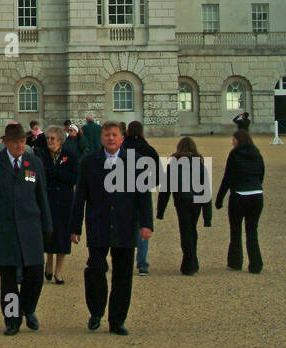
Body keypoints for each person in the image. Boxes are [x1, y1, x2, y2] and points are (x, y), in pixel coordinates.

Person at [70, 120, 153, 336]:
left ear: (122, 138)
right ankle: (96, 311)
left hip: (125, 225)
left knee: (123, 276)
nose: (111, 138)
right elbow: (80, 197)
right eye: (107, 135)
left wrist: (146, 224)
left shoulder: (136, 162)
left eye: (115, 135)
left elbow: (144, 196)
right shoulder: (89, 162)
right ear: (101, 138)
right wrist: (75, 227)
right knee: (95, 270)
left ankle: (117, 320)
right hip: (98, 225)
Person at [0, 123, 51, 335]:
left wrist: (47, 225)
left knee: (35, 272)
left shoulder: (33, 161)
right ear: (5, 142)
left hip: (30, 225)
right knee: (7, 279)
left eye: (22, 141)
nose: (19, 145)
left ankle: (27, 308)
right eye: (15, 142)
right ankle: (12, 320)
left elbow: (42, 195)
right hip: (4, 226)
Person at [157, 137, 212, 275]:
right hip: (197, 201)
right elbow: (206, 190)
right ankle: (192, 260)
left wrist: (160, 210)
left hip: (182, 201)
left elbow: (165, 189)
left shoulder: (174, 164)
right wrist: (207, 215)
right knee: (192, 229)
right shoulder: (200, 165)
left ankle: (189, 263)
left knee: (185, 230)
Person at [216, 129, 265, 274]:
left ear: (238, 140)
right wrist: (255, 185)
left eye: (234, 140)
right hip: (256, 194)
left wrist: (220, 198)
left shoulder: (234, 154)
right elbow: (261, 173)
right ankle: (256, 264)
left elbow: (228, 178)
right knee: (252, 231)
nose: (232, 142)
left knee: (236, 230)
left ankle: (236, 262)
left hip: (239, 194)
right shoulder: (257, 153)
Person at [38, 125, 80, 284]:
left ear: (60, 140)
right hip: (47, 199)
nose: (49, 141)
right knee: (48, 232)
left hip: (64, 201)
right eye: (47, 138)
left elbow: (74, 177)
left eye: (52, 138)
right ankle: (48, 260)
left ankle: (59, 272)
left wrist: (55, 173)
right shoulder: (41, 155)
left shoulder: (71, 156)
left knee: (63, 236)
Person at [123, 121, 160, 276]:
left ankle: (124, 262)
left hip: (122, 191)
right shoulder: (149, 149)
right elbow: (158, 175)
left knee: (123, 227)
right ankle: (142, 264)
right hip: (141, 190)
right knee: (143, 226)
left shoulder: (122, 148)